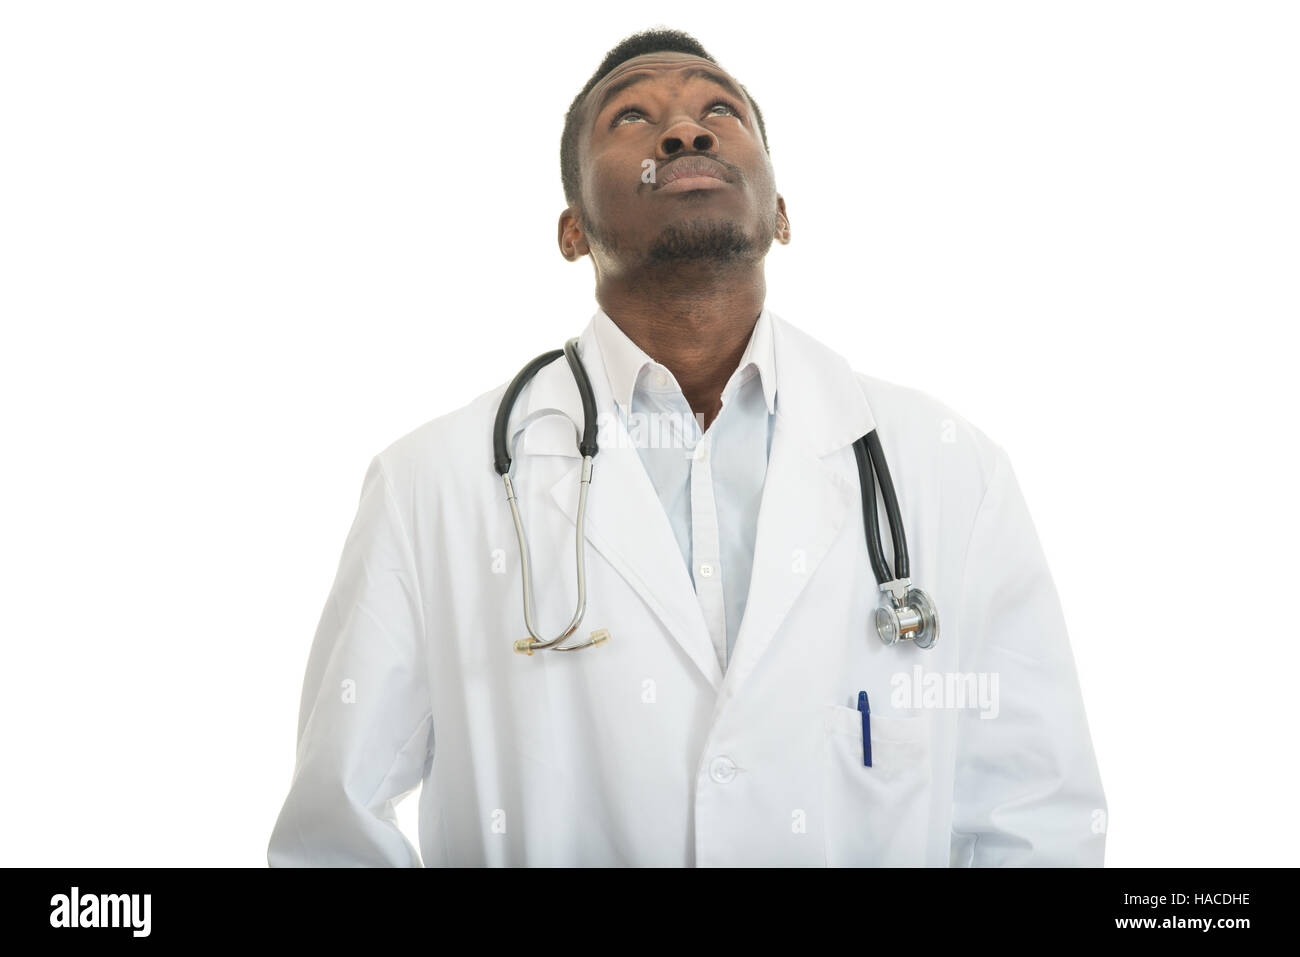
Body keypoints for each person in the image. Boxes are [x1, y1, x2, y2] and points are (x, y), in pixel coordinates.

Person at [267, 27, 1106, 867]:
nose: (685, 132)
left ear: (780, 213)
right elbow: (337, 830)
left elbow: (1036, 819)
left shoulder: (949, 469)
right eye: (632, 119)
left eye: (718, 111)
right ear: (571, 232)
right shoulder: (430, 487)